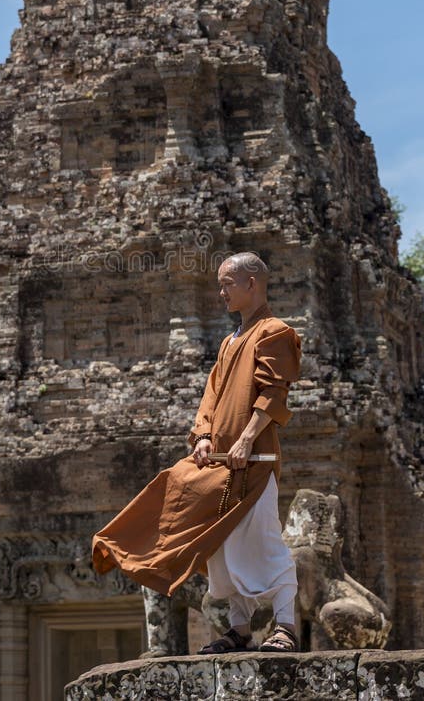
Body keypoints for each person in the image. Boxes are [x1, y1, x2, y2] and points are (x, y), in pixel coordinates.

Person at [92, 251, 302, 653]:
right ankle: (239, 630)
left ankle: (286, 626)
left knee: (263, 540)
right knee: (219, 546)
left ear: (251, 284)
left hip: (253, 462)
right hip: (218, 463)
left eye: (227, 283)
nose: (220, 291)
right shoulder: (229, 342)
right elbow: (211, 397)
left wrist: (245, 439)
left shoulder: (275, 332)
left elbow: (274, 395)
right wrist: (202, 436)